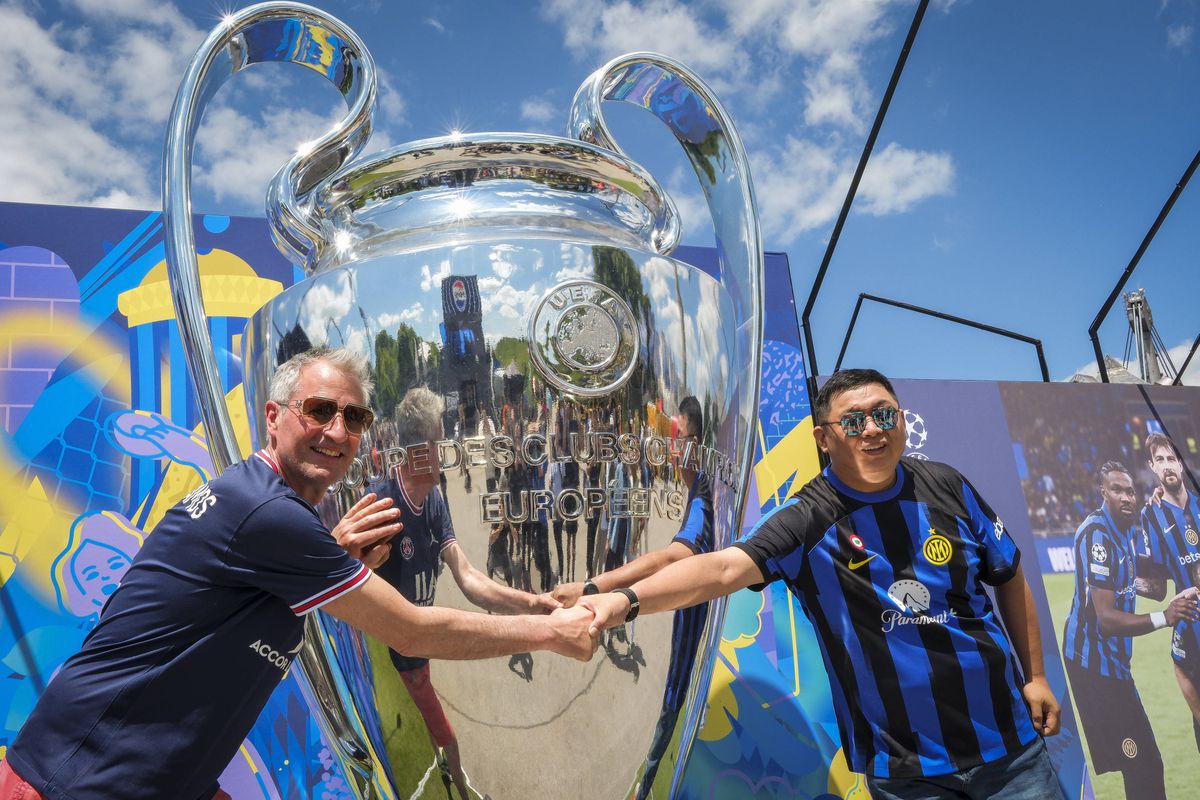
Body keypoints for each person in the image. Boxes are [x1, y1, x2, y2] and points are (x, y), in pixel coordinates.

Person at [0, 347, 596, 800]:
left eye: (355, 418)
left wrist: (330, 555)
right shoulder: (270, 514)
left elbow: (232, 606)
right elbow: (411, 632)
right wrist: (551, 632)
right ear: (273, 417)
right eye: (318, 411)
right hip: (77, 783)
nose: (338, 432)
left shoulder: (261, 505)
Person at [582, 368, 1064, 800]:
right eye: (853, 422)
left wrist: (1036, 675)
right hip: (907, 776)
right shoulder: (807, 518)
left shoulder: (948, 486)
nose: (873, 429)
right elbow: (722, 569)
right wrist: (624, 600)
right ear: (823, 439)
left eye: (885, 414)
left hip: (1011, 750)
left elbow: (1008, 571)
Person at [368, 387, 559, 800]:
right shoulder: (383, 503)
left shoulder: (433, 500)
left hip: (422, 646)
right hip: (404, 657)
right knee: (445, 735)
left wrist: (532, 603)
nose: (450, 449)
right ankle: (460, 787)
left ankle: (452, 781)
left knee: (438, 730)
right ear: (422, 447)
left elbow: (468, 576)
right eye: (442, 439)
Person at [552, 395, 711, 800]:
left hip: (691, 653)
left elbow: (671, 558)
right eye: (667, 436)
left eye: (677, 436)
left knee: (664, 728)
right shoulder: (693, 490)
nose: (671, 447)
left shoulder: (705, 496)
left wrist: (592, 588)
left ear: (695, 443)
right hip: (682, 640)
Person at [1061, 460, 1197, 799]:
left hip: (1114, 668)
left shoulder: (1125, 533)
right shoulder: (1097, 535)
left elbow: (1152, 586)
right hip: (1093, 668)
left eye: (1130, 491)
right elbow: (1106, 618)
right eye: (1118, 490)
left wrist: (1162, 519)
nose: (1126, 497)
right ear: (1103, 492)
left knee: (1142, 763)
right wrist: (1166, 617)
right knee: (1142, 764)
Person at [1136, 431, 1200, 750]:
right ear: (1152, 467)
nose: (1167, 465)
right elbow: (1158, 587)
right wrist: (1127, 579)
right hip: (1193, 630)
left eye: (1171, 458)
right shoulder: (1152, 514)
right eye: (1160, 460)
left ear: (1181, 462)